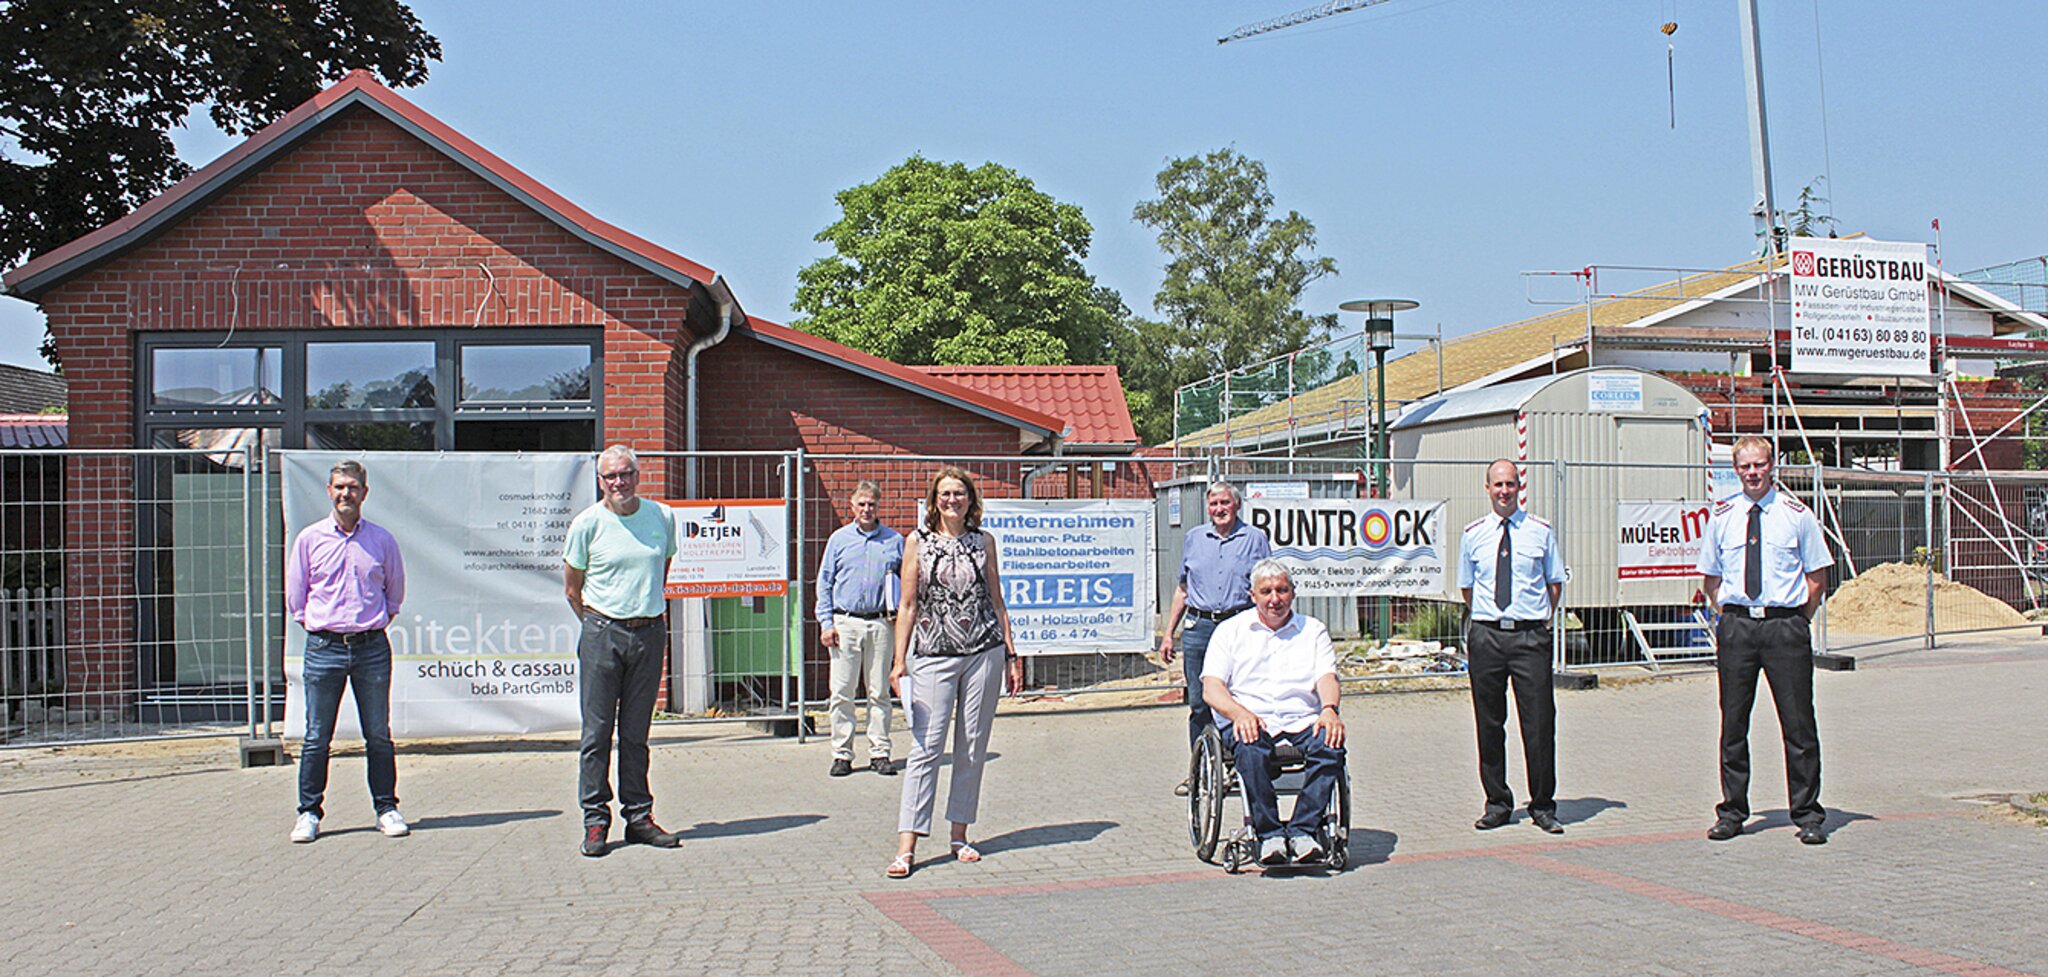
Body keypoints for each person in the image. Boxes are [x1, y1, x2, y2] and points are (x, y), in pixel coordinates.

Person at [885, 467, 1023, 879]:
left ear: (970, 499)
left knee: (972, 746)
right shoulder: (917, 542)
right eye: (945, 494)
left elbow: (997, 601)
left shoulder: (984, 542)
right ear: (934, 500)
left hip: (984, 651)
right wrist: (899, 661)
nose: (952, 500)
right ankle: (907, 845)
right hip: (932, 653)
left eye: (959, 493)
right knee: (926, 748)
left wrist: (1012, 655)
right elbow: (907, 605)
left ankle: (960, 834)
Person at [1697, 436, 1834, 845]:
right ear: (1736, 470)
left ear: (1772, 466)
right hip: (1738, 627)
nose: (1753, 473)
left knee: (1798, 724)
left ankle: (1808, 813)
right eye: (1745, 467)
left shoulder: (1797, 514)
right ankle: (1733, 811)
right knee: (1733, 723)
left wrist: (1795, 621)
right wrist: (1732, 619)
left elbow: (1817, 578)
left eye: (1760, 465)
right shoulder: (1722, 515)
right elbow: (1711, 578)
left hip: (1784, 628)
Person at [564, 445, 683, 857]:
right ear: (600, 481)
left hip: (649, 633)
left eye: (626, 473)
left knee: (636, 734)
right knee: (597, 734)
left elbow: (660, 569)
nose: (620, 482)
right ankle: (596, 821)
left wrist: (640, 612)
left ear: (638, 474)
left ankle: (639, 818)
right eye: (611, 476)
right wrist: (600, 624)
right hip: (602, 632)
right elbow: (572, 588)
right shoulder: (587, 524)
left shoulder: (662, 517)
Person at [284, 459, 408, 843]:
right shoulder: (309, 539)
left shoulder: (382, 541)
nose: (345, 494)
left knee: (378, 735)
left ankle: (386, 808)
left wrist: (371, 623)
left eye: (353, 487)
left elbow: (394, 593)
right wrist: (319, 625)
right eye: (339, 487)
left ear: (365, 493)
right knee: (317, 736)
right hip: (324, 647)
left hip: (371, 647)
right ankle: (308, 813)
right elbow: (296, 596)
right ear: (328, 491)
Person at [1201, 559, 1346, 866]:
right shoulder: (1230, 631)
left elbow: (1327, 678)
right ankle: (1269, 835)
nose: (1274, 599)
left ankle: (1302, 831)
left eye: (1281, 590)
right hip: (1250, 718)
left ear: (1293, 593)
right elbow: (1211, 688)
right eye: (1266, 591)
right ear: (1252, 595)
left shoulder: (1313, 630)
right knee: (1251, 751)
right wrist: (1238, 713)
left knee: (1331, 745)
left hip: (1302, 718)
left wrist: (1330, 710)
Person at [1457, 460, 1568, 835]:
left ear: (1521, 487)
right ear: (1486, 488)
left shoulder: (1540, 532)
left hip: (1529, 638)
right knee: (1489, 722)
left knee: (1539, 723)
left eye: (1511, 484)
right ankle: (1498, 802)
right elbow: (1468, 587)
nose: (1504, 491)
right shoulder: (1473, 534)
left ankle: (1543, 805)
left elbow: (1554, 582)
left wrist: (1535, 619)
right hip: (1487, 636)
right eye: (1498, 484)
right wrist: (1491, 619)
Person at [1160, 481, 1271, 795]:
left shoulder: (1255, 539)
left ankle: (1240, 765)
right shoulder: (1195, 538)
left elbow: (1266, 587)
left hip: (1240, 627)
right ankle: (1202, 771)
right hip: (1200, 628)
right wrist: (1169, 634)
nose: (1219, 509)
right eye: (1214, 504)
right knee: (1198, 702)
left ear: (1236, 505)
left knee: (1240, 697)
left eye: (1225, 503)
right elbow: (1183, 588)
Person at [816, 479, 903, 777]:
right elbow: (824, 584)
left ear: (879, 506)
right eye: (861, 504)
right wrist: (826, 623)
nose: (867, 509)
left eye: (872, 504)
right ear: (852, 507)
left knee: (879, 691)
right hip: (846, 623)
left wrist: (901, 617)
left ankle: (880, 752)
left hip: (881, 624)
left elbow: (906, 582)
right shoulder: (839, 540)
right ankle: (842, 753)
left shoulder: (894, 541)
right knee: (841, 691)